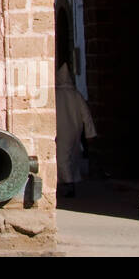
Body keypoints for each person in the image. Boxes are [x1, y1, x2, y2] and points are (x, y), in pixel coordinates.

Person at [55, 60, 95, 198]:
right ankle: (69, 180)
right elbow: (86, 115)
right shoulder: (76, 95)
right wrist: (90, 133)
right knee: (72, 156)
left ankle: (68, 183)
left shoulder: (55, 95)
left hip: (61, 130)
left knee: (62, 157)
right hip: (75, 130)